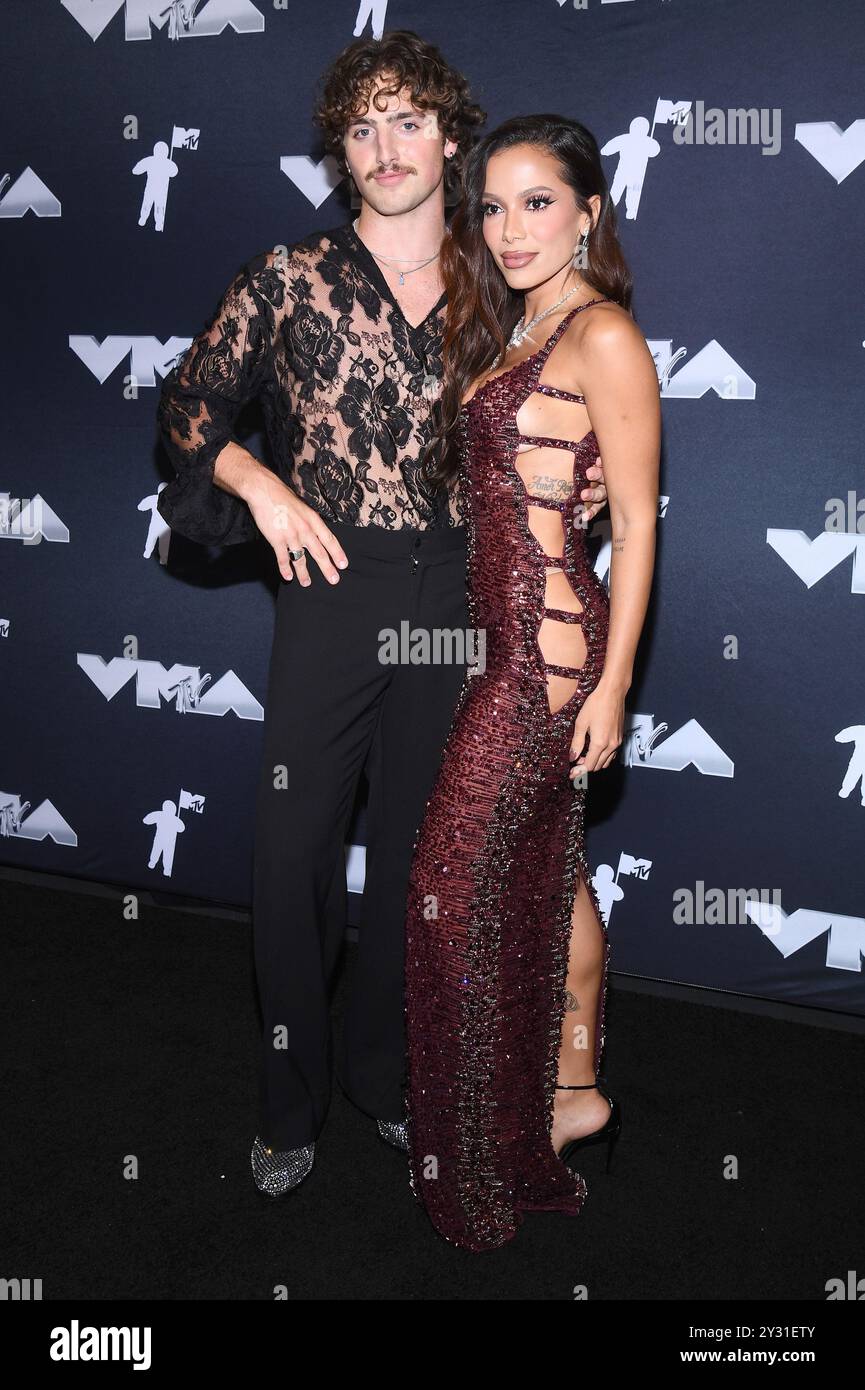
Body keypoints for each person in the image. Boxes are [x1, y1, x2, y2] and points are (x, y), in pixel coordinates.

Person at [155, 32, 610, 1197]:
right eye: (362, 126)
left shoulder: (498, 273)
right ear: (339, 151)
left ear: (450, 136)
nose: (386, 146)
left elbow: (576, 413)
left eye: (409, 120)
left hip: (457, 597)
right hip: (331, 591)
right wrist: (259, 484)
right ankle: (286, 1097)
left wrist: (586, 482)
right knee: (291, 854)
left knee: (420, 858)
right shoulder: (287, 277)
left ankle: (385, 1077)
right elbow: (189, 410)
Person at [404, 114, 661, 1251]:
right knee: (553, 880)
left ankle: (487, 1144)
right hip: (505, 647)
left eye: (538, 202)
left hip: (551, 660)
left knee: (450, 896)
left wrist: (609, 687)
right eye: (493, 206)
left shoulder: (601, 332)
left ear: (589, 212)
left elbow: (642, 526)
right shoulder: (520, 326)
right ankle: (572, 1091)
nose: (510, 228)